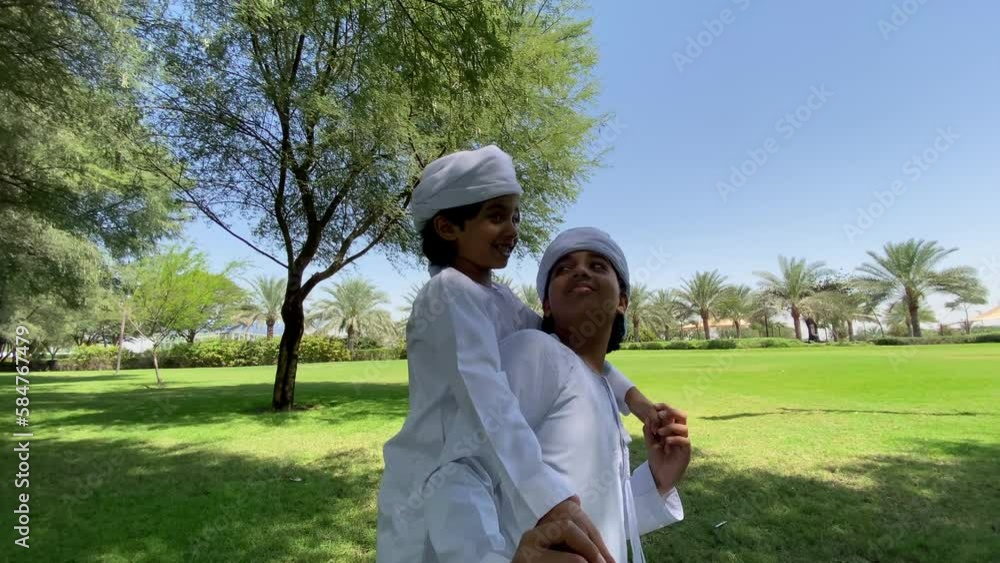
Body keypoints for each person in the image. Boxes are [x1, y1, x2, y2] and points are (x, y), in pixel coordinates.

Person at [376, 147, 666, 563]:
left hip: (477, 458)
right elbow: (487, 399)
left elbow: (573, 355)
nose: (512, 229)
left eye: (515, 216)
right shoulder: (449, 293)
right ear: (447, 227)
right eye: (496, 216)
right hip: (434, 472)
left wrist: (633, 399)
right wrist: (550, 498)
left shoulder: (501, 299)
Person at [427, 227, 691, 563]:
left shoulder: (604, 389)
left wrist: (658, 481)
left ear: (622, 301)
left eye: (598, 265)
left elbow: (597, 519)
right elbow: (458, 473)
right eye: (564, 268)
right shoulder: (534, 352)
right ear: (547, 304)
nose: (580, 270)